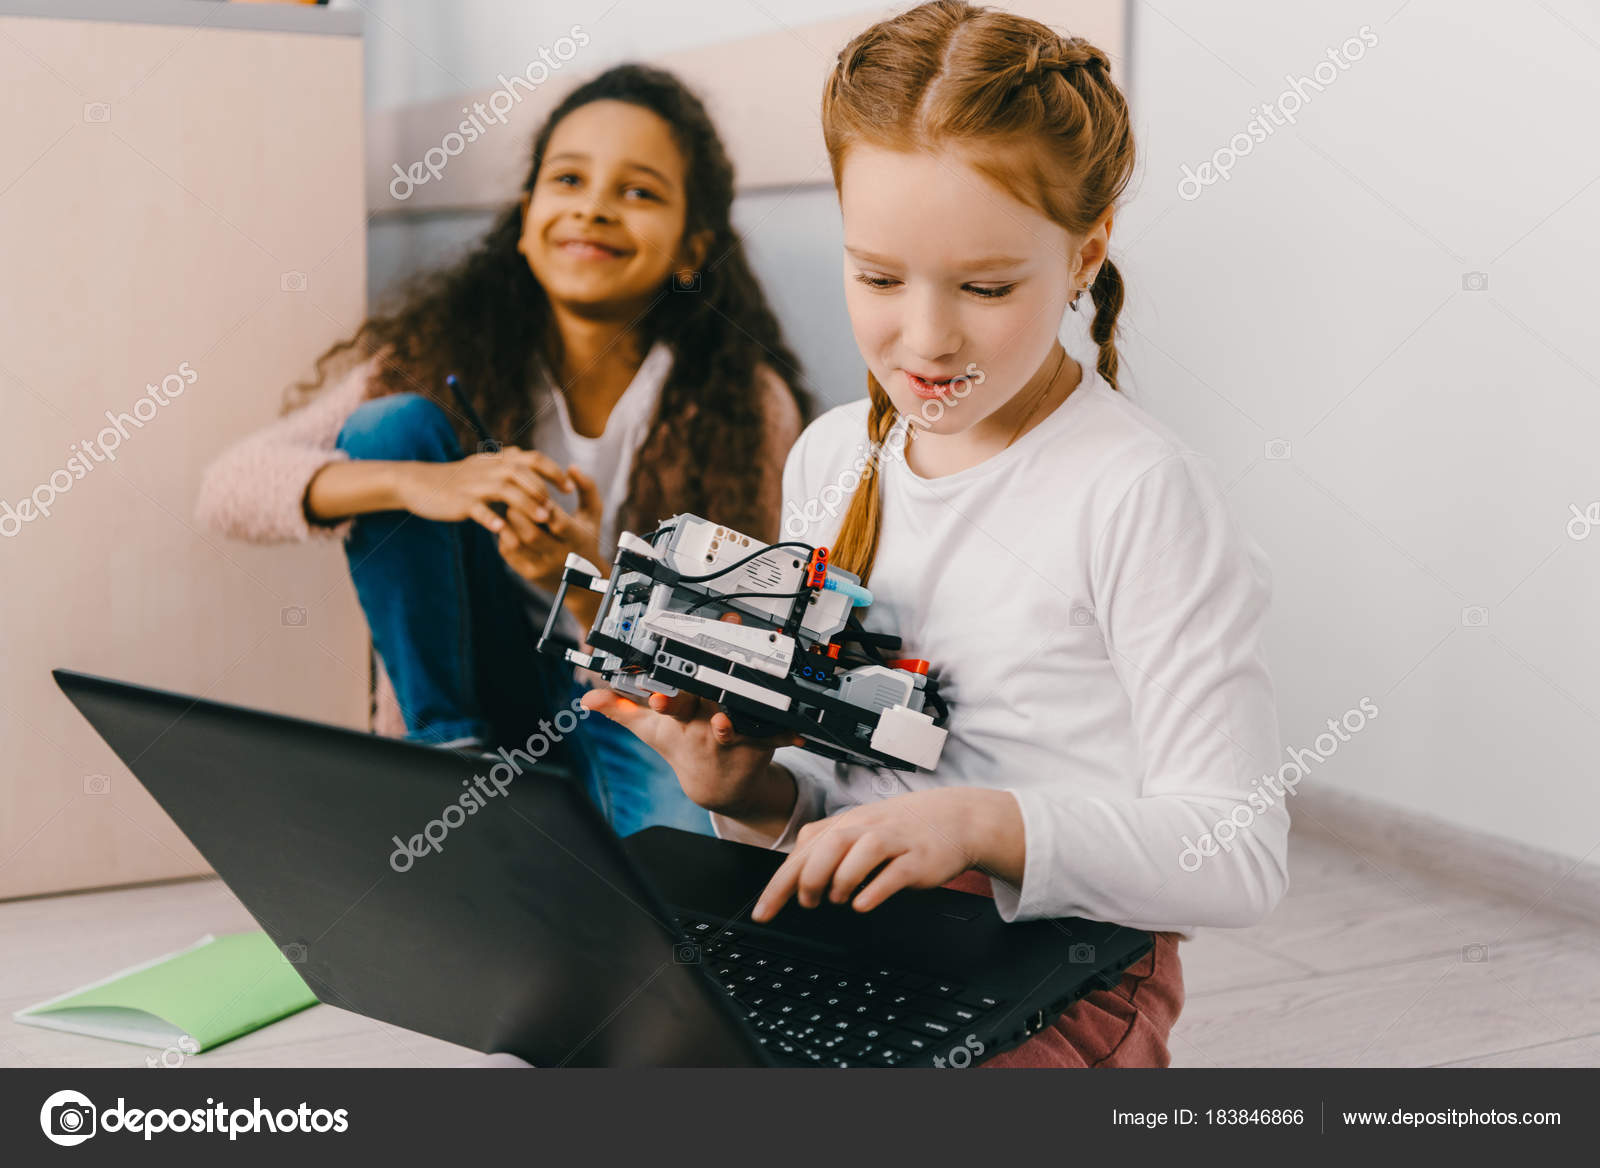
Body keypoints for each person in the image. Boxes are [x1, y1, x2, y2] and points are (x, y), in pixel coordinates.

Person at [580, 1, 1289, 1064]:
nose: (924, 337)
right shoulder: (832, 458)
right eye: (875, 276)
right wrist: (752, 794)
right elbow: (851, 794)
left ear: (1083, 254)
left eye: (987, 286)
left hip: (1066, 974)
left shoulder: (1137, 491)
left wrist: (981, 823)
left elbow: (1239, 851)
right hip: (860, 938)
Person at [195, 64, 810, 838]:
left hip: (623, 702)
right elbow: (228, 486)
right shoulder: (438, 350)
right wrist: (423, 483)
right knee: (390, 429)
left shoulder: (744, 405)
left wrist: (585, 585)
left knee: (676, 884)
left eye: (639, 191)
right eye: (569, 179)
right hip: (470, 695)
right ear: (526, 220)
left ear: (693, 249)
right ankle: (441, 751)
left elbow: (742, 638)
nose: (593, 206)